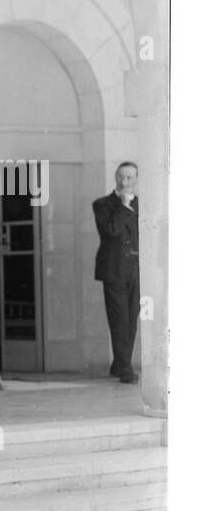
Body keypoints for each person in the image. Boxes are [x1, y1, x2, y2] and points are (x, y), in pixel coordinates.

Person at [92, 162, 141, 384]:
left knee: (131, 319)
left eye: (130, 178)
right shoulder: (102, 205)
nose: (125, 182)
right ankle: (125, 371)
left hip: (136, 270)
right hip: (114, 270)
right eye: (121, 176)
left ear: (136, 180)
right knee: (119, 320)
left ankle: (119, 364)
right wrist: (123, 206)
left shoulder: (143, 205)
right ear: (115, 177)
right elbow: (111, 231)